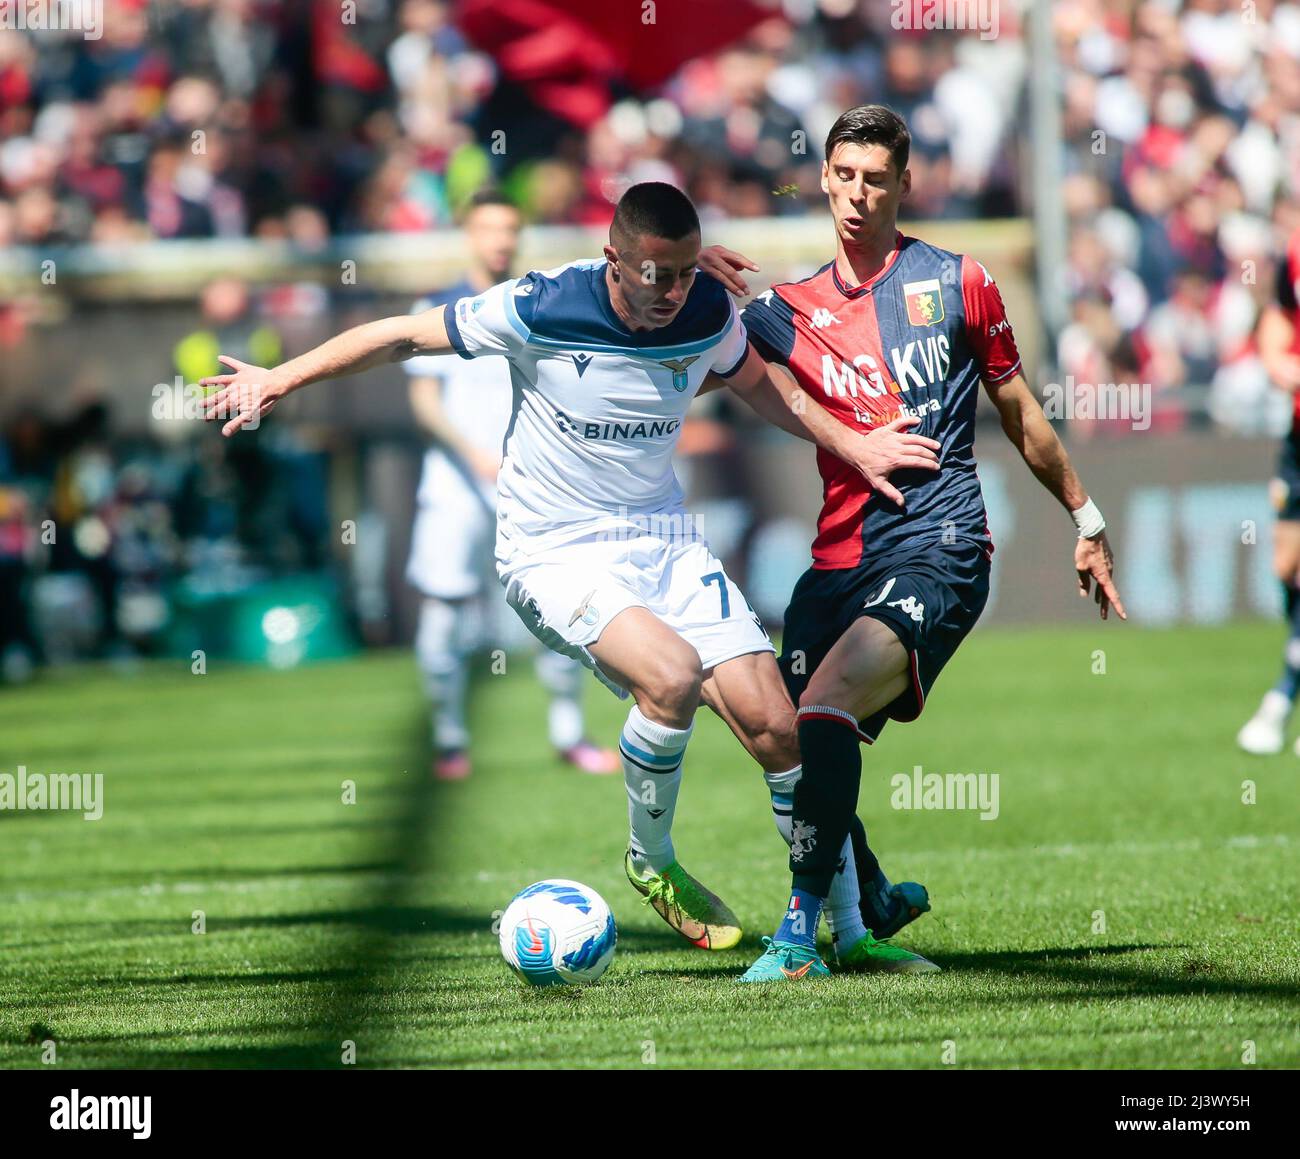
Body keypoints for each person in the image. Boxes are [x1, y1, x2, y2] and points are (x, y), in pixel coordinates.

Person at [203, 183, 930, 963]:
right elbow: (404, 338)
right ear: (612, 257)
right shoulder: (541, 305)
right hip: (553, 548)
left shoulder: (705, 313)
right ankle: (652, 861)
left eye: (684, 272)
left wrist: (850, 444)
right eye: (655, 273)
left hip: (665, 542)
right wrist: (280, 378)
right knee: (673, 676)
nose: (671, 292)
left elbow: (760, 384)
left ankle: (851, 931)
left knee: (778, 729)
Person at [721, 105, 1126, 982]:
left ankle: (797, 937)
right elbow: (685, 329)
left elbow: (1020, 413)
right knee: (793, 742)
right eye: (845, 175)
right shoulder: (784, 313)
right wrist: (686, 266)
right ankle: (865, 908)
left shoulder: (957, 281)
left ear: (906, 184)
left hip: (940, 544)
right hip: (835, 564)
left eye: (877, 179)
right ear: (824, 178)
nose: (859, 195)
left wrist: (1085, 518)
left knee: (826, 707)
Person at [403, 190, 618, 780]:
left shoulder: (540, 303)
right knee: (445, 609)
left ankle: (568, 733)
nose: (500, 240)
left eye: (509, 229)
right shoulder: (438, 306)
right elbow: (423, 398)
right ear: (469, 234)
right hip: (455, 486)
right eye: (489, 229)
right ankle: (449, 739)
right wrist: (470, 452)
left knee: (565, 605)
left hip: (534, 487)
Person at [1236, 227, 1300, 755]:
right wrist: (1278, 359)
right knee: (1286, 566)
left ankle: (1281, 698)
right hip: (1297, 439)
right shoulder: (1295, 251)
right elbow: (1280, 315)